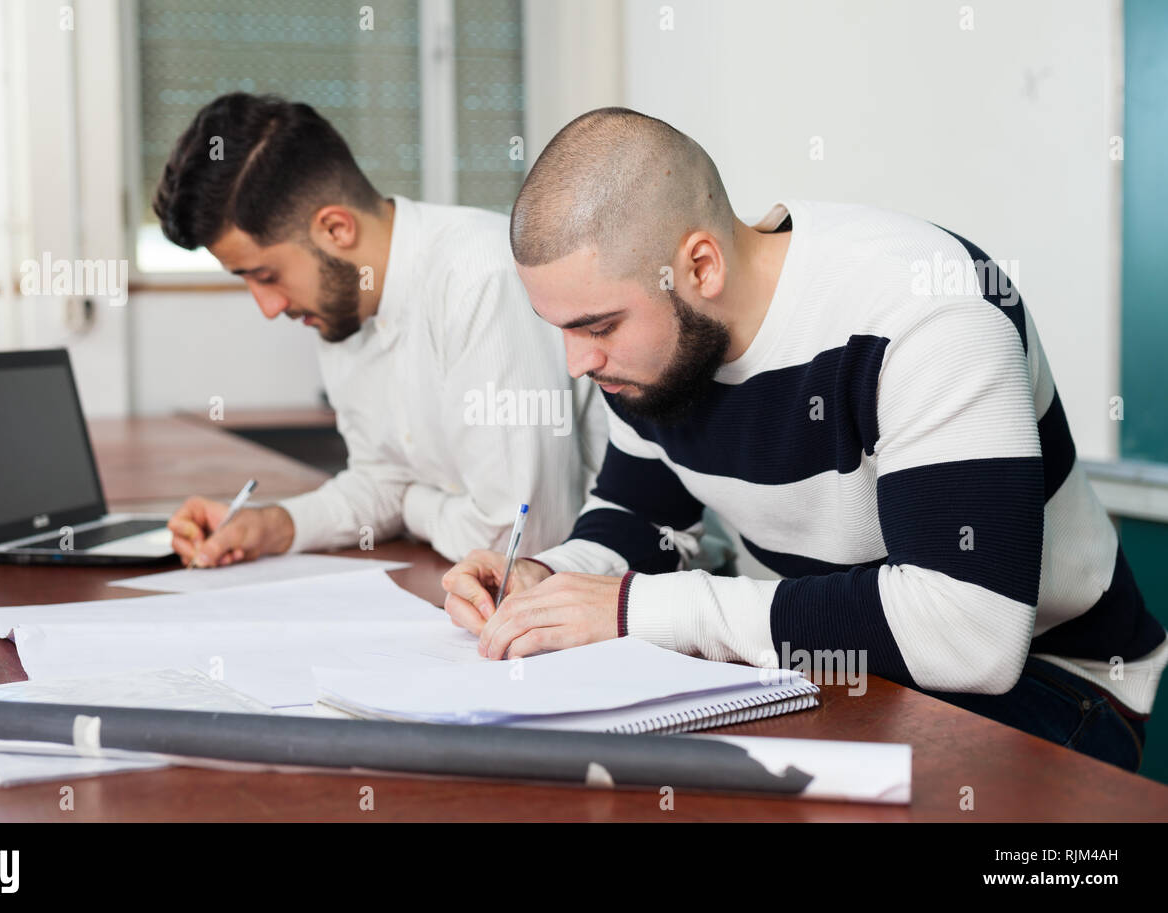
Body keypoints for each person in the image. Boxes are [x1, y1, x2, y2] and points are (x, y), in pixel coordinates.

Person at [441, 107, 1164, 771]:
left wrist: (638, 609)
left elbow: (968, 630)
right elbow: (645, 521)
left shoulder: (928, 313)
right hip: (818, 665)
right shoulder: (652, 356)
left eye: (596, 327)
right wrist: (550, 580)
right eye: (560, 330)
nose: (577, 363)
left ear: (700, 266)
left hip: (1052, 682)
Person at [153, 94, 603, 566]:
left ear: (335, 229)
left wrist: (411, 505)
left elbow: (519, 540)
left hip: (599, 597)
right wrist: (272, 526)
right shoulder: (341, 304)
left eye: (266, 276)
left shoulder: (479, 278)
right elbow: (381, 479)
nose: (268, 307)